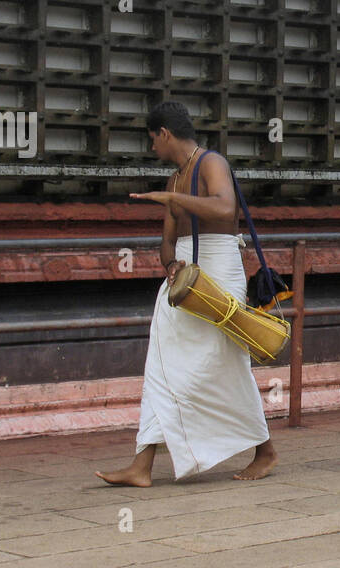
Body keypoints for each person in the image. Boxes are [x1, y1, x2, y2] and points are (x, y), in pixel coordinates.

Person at [97, 101, 277, 485]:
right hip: (183, 277)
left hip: (220, 271)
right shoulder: (173, 180)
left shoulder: (211, 163)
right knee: (160, 365)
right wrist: (170, 265)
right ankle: (142, 464)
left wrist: (174, 200)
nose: (152, 148)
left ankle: (265, 451)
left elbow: (224, 208)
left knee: (224, 363)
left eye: (153, 140)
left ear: (165, 133)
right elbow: (167, 240)